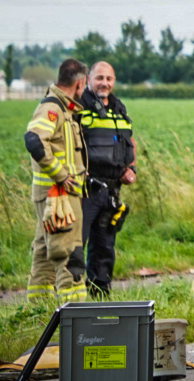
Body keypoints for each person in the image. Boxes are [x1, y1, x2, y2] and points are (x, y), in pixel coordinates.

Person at [25, 59, 89, 302]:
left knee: (43, 254)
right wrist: (61, 176)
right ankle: (77, 323)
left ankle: (37, 314)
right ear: (79, 83)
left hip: (51, 197)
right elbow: (34, 140)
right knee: (69, 255)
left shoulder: (64, 108)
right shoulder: (53, 108)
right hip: (59, 198)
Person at [74, 60, 137, 297]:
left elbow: (129, 142)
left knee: (105, 248)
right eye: (99, 78)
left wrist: (131, 169)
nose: (104, 83)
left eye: (109, 79)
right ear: (89, 79)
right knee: (76, 246)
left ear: (114, 81)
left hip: (111, 192)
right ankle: (72, 299)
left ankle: (100, 296)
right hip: (86, 190)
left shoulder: (119, 108)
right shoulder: (80, 106)